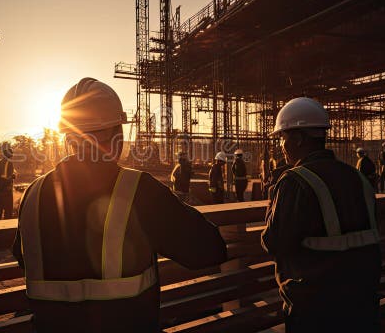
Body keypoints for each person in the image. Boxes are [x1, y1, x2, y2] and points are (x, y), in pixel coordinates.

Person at [12, 78, 227, 333]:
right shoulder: (139, 190)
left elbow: (23, 258)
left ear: (68, 137)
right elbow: (210, 250)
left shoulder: (33, 194)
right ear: (117, 135)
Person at [261, 97, 381, 333]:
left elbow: (273, 243)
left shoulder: (295, 181)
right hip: (363, 302)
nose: (281, 146)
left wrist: (274, 193)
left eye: (283, 137)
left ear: (298, 138)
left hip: (315, 308)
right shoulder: (357, 178)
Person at [0, 142, 16, 220]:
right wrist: (13, 176)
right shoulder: (9, 163)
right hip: (6, 189)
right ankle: (7, 224)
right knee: (8, 209)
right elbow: (8, 177)